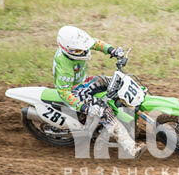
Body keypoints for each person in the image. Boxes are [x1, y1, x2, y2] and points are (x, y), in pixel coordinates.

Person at [53, 25, 145, 157]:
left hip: (83, 83)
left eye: (83, 48)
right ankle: (130, 147)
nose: (84, 51)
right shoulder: (64, 68)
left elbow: (95, 43)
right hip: (74, 93)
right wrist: (83, 107)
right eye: (79, 51)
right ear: (68, 50)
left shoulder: (77, 44)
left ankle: (131, 116)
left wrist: (112, 50)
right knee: (103, 110)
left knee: (115, 82)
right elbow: (64, 92)